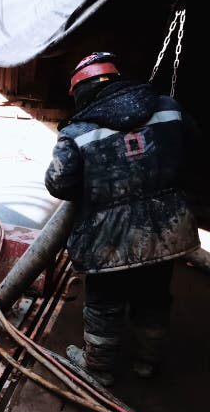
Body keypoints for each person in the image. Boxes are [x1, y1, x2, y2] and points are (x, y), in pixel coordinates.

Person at [44, 52, 199, 386]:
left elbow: (58, 184)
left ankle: (99, 371)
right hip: (166, 231)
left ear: (81, 92)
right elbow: (196, 156)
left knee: (104, 304)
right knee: (154, 296)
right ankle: (146, 363)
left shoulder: (77, 132)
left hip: (107, 240)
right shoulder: (170, 108)